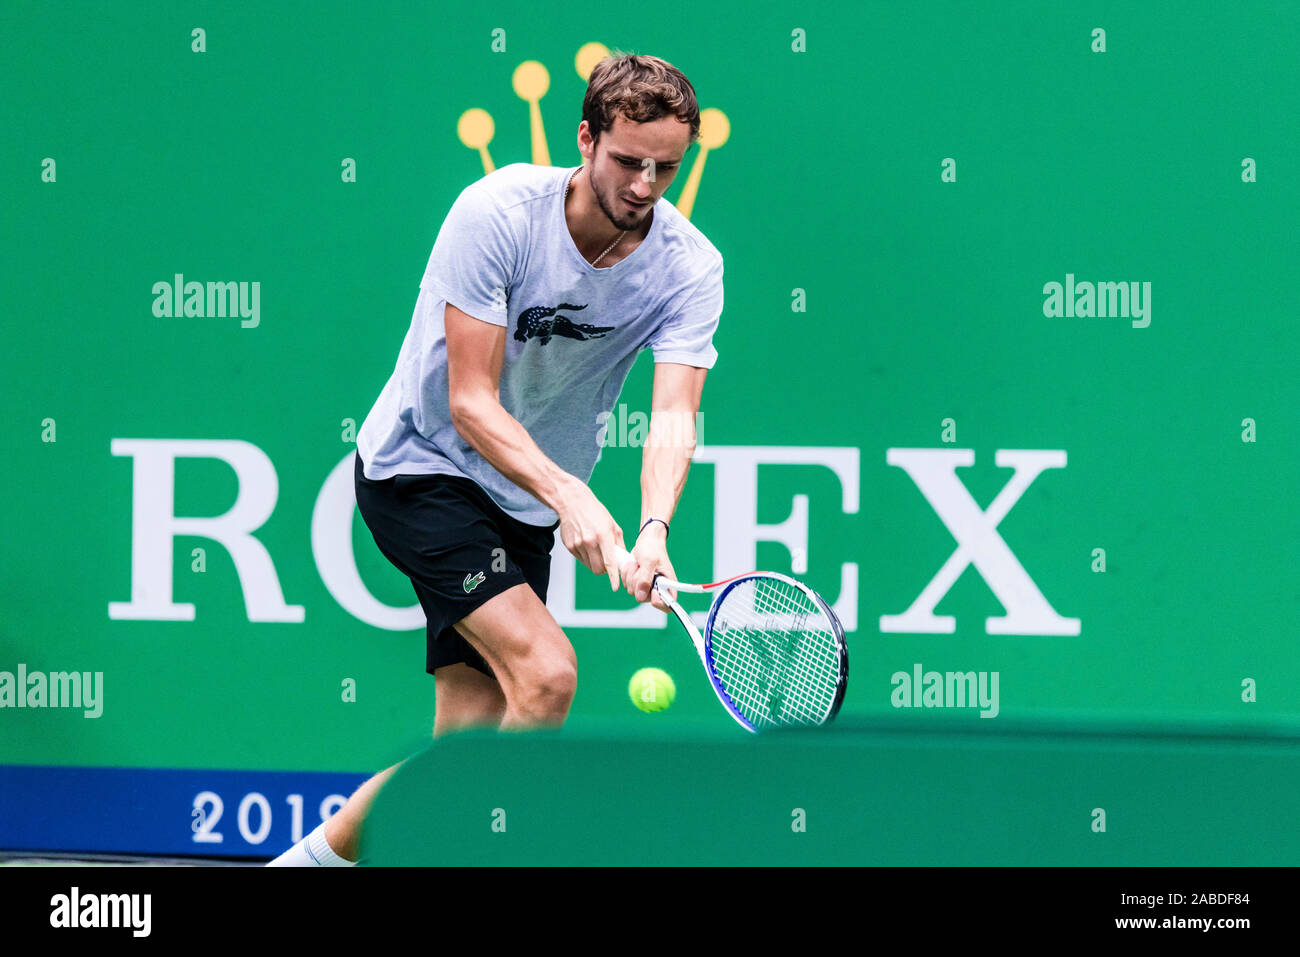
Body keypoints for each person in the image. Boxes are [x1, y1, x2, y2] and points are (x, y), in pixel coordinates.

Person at [268, 52, 723, 866]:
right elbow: (469, 402)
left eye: (666, 167)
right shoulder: (498, 213)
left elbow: (673, 418)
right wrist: (573, 497)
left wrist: (653, 526)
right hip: (421, 467)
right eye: (628, 161)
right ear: (585, 138)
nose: (647, 184)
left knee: (462, 752)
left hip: (517, 506)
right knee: (548, 677)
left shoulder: (691, 267)